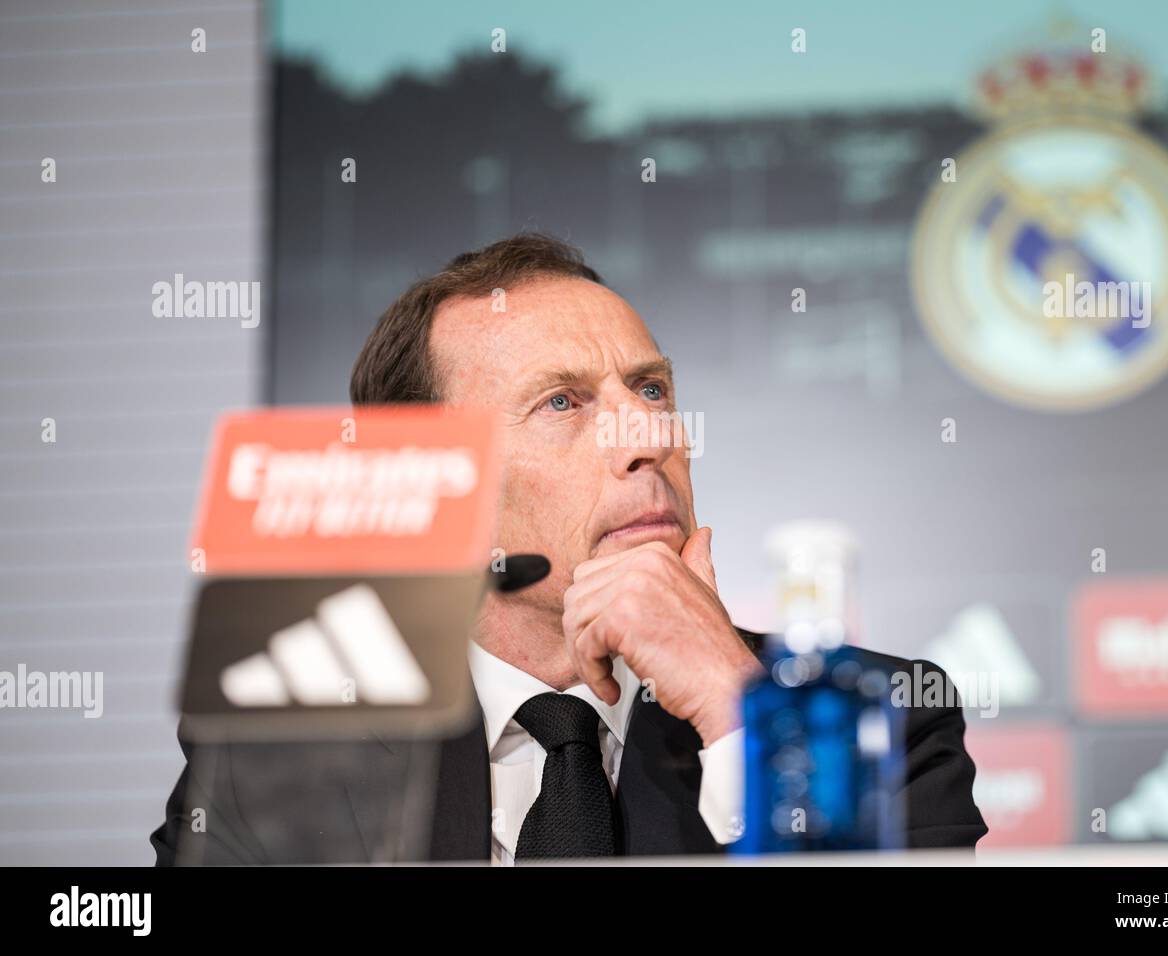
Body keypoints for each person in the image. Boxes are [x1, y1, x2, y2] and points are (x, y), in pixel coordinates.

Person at [151, 233, 987, 864]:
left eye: (652, 389)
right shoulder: (291, 756)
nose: (649, 435)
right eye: (562, 403)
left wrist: (741, 715)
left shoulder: (879, 721)